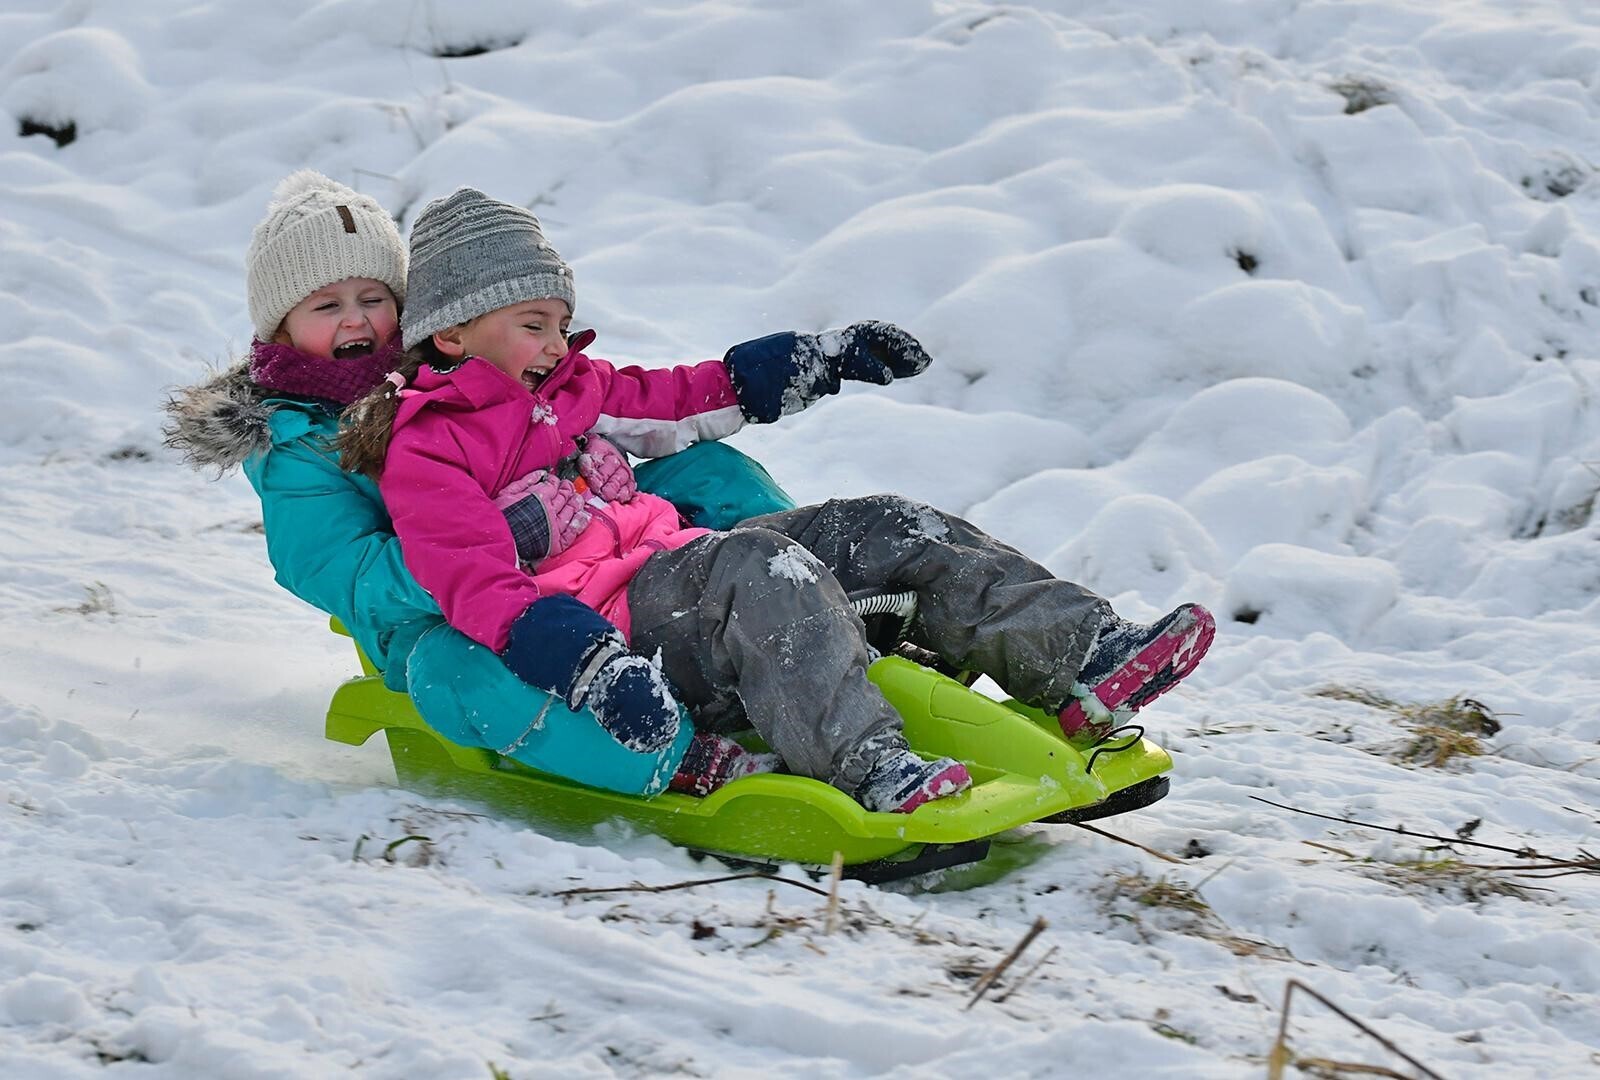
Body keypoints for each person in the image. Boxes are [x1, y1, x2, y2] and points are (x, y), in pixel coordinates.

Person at [337, 187, 1216, 814]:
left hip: (681, 570)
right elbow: (478, 588)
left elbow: (685, 396)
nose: (557, 344)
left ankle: (1083, 653)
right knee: (760, 562)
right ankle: (870, 766)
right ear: (450, 332)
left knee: (879, 523)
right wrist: (593, 666)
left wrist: (813, 361)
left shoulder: (575, 387)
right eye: (534, 325)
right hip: (629, 639)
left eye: (562, 322)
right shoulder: (428, 449)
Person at [162, 171, 796, 798]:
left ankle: (812, 603)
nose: (356, 322)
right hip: (460, 617)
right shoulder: (295, 449)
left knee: (709, 471)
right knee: (451, 671)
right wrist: (502, 539)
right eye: (328, 306)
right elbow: (343, 571)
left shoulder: (459, 363)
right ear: (280, 327)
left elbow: (603, 403)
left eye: (373, 300)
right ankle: (672, 759)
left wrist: (587, 464)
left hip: (595, 557)